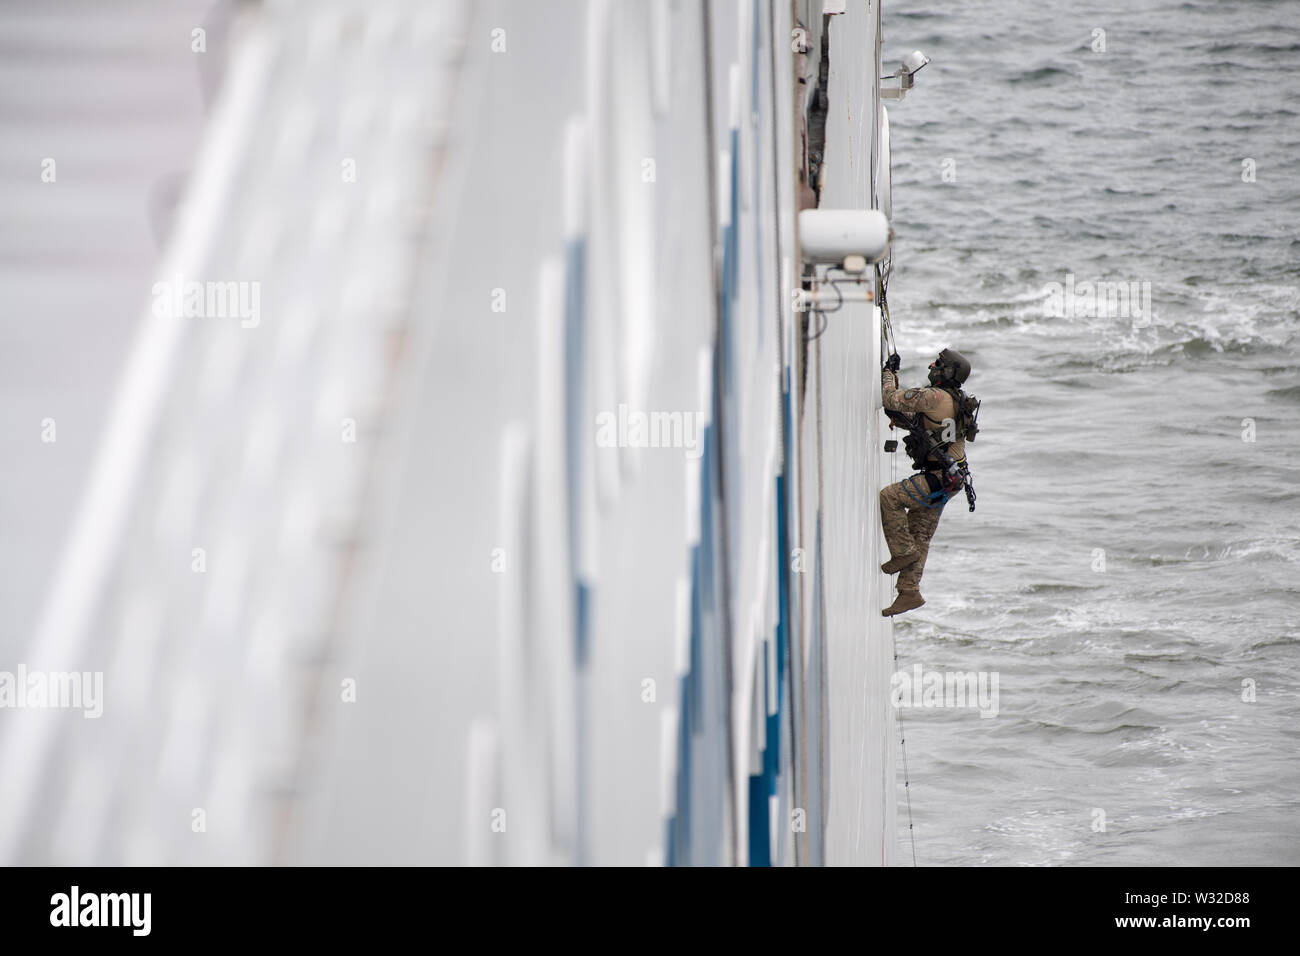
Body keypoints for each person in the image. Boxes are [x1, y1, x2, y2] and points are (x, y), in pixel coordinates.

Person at [878, 348, 978, 616]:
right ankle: (909, 592)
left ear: (946, 372)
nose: (932, 366)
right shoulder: (959, 400)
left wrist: (888, 373)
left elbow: (890, 398)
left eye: (938, 364)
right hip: (952, 479)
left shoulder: (933, 396)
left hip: (937, 477)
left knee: (890, 497)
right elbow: (919, 423)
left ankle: (902, 552)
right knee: (920, 533)